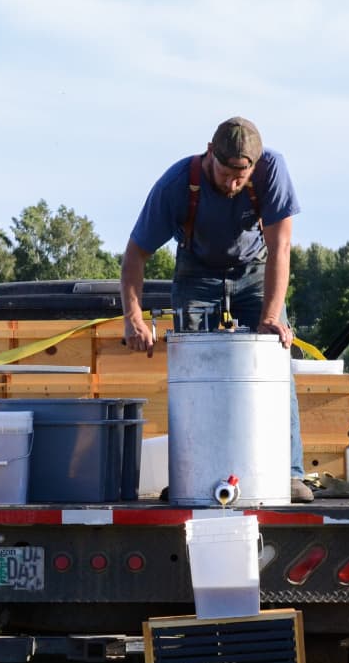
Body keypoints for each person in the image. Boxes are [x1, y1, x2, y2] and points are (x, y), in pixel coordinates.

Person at [120, 116, 312, 503]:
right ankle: (194, 476)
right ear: (210, 154)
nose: (233, 183)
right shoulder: (176, 185)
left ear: (255, 166)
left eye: (242, 176)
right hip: (197, 273)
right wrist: (133, 318)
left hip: (256, 270)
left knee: (275, 364)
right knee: (193, 371)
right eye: (226, 174)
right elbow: (135, 255)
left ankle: (288, 473)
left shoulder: (273, 170)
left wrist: (271, 317)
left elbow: (281, 248)